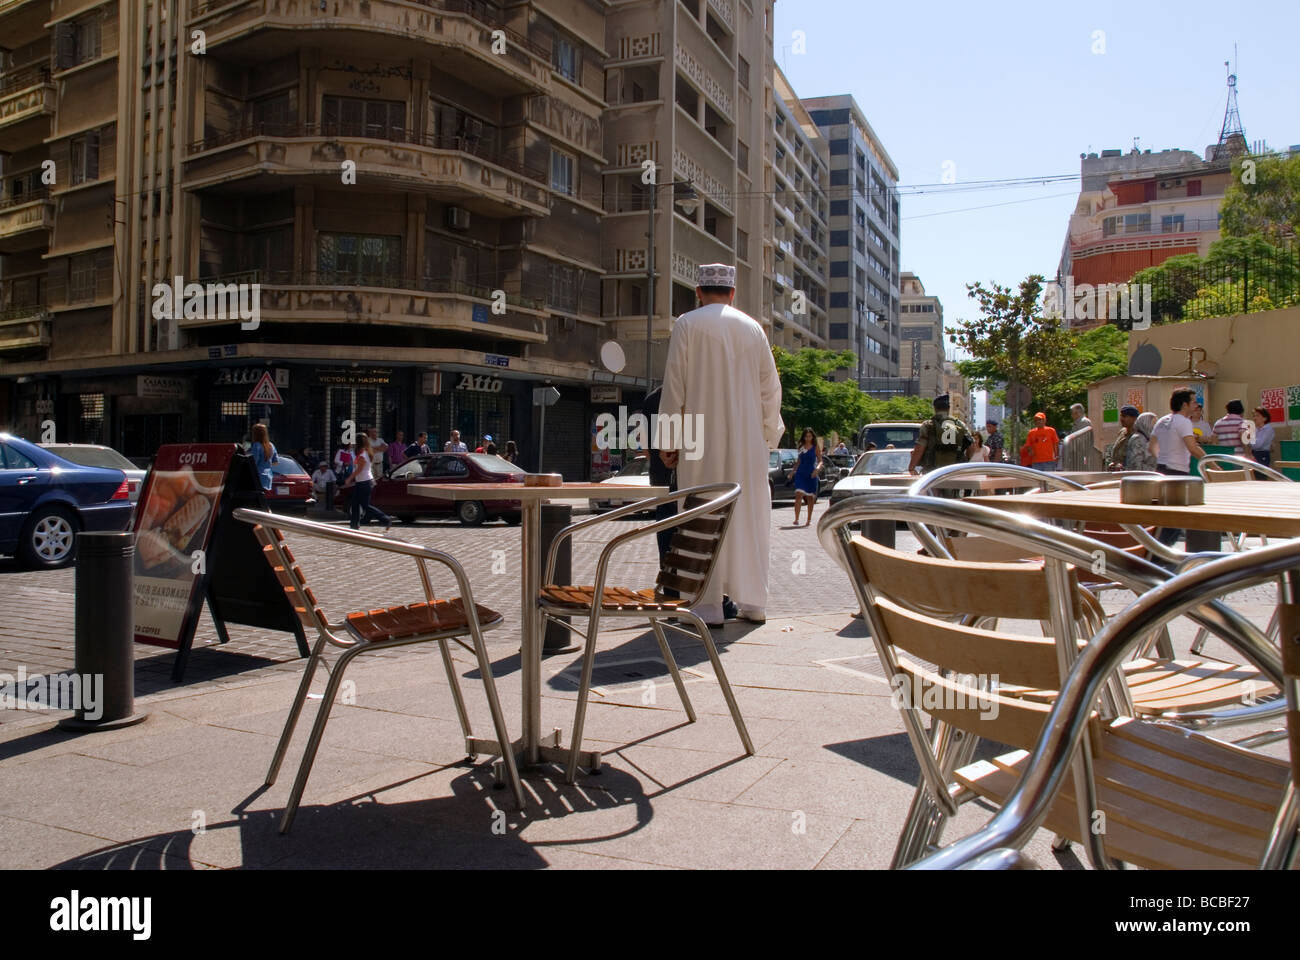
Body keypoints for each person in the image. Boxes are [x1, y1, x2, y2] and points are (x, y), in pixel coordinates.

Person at [659, 262, 784, 626]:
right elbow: (770, 390)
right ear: (732, 293)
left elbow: (675, 385)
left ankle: (705, 607)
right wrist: (766, 436)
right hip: (748, 441)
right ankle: (753, 603)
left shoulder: (686, 323)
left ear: (698, 291)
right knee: (749, 515)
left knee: (699, 515)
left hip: (698, 437)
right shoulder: (753, 328)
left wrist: (669, 440)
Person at [1151, 389, 1207, 546]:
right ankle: (1161, 554)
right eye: (1194, 401)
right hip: (1178, 473)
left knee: (1163, 515)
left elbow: (1152, 446)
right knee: (1176, 517)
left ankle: (1154, 551)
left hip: (1161, 470)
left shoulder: (1162, 421)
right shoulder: (1184, 422)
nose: (1197, 404)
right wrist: (1211, 463)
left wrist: (1163, 458)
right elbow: (1193, 447)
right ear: (1185, 404)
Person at [909, 394, 971, 474]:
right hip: (956, 470)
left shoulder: (928, 425)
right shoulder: (960, 424)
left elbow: (920, 447)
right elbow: (971, 447)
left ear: (935, 408)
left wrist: (911, 467)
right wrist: (966, 459)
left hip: (933, 471)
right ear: (948, 408)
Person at [342, 434, 391, 531]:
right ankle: (354, 525)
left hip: (364, 482)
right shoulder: (364, 452)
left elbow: (359, 470)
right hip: (363, 481)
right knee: (355, 503)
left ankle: (385, 519)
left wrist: (349, 479)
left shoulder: (363, 455)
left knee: (365, 506)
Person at [791, 428, 823, 527]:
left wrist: (817, 469)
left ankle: (808, 519)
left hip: (811, 473)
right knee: (798, 494)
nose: (808, 438)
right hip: (801, 473)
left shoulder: (815, 447)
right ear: (803, 437)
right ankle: (796, 519)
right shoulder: (801, 447)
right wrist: (792, 472)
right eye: (806, 436)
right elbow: (799, 461)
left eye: (809, 436)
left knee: (810, 497)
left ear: (812, 437)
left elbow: (820, 460)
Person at [1106, 405, 1140, 469]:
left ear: (1134, 418)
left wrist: (1123, 466)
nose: (1121, 419)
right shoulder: (1122, 432)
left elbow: (1136, 459)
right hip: (1118, 471)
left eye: (1124, 416)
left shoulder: (1138, 435)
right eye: (1121, 416)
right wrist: (1114, 463)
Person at [248, 423, 279, 492]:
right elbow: (276, 462)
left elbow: (253, 462)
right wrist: (266, 464)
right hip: (268, 477)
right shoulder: (271, 445)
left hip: (257, 477)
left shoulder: (256, 445)